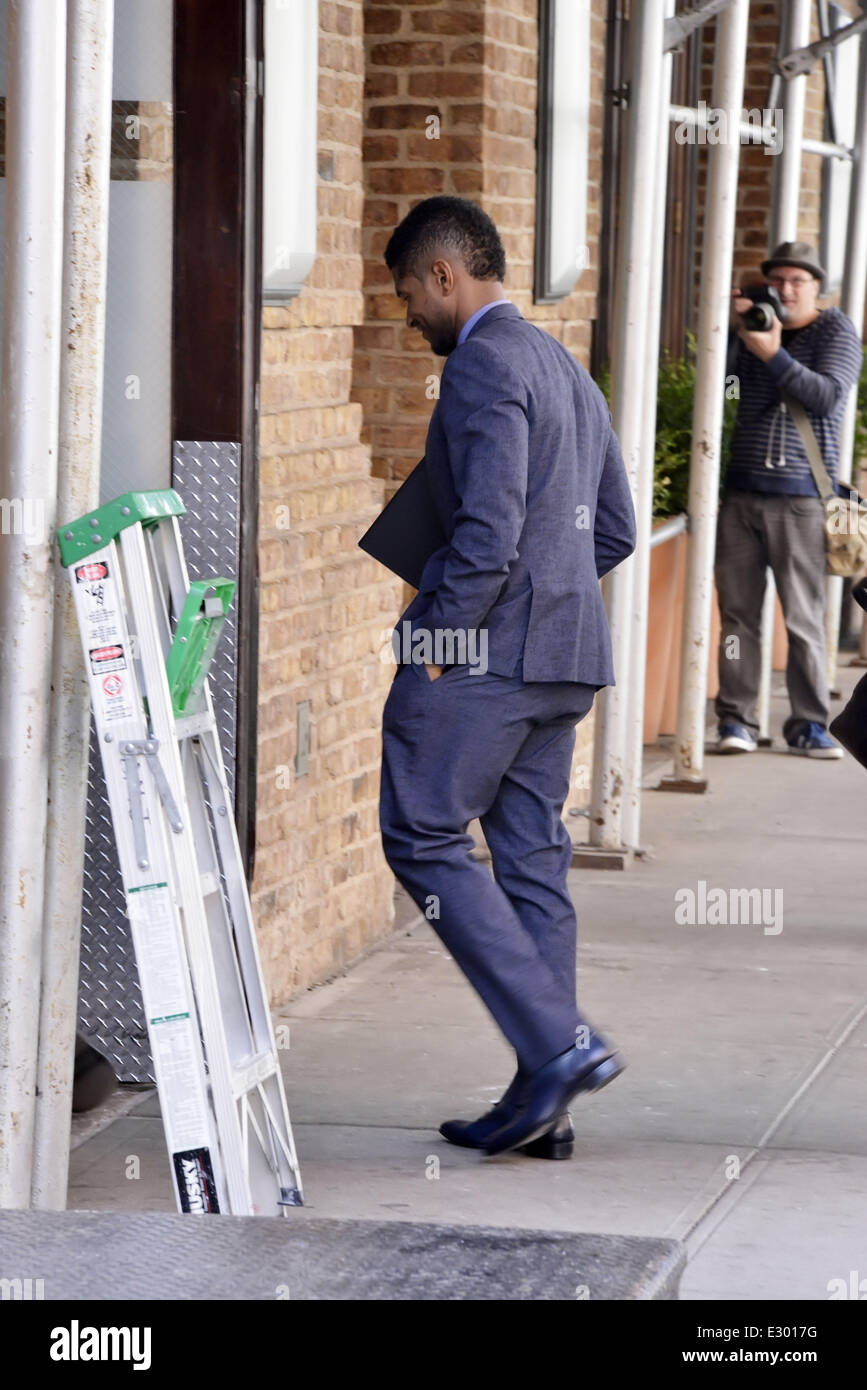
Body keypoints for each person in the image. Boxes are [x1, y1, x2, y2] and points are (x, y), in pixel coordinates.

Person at [378, 196, 636, 1159]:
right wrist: (551, 602)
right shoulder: (565, 365)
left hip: (484, 657)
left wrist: (440, 642)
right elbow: (608, 527)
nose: (409, 317)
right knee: (531, 861)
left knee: (421, 833)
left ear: (444, 275)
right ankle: (545, 1106)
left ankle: (558, 1043)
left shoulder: (484, 362)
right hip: (563, 658)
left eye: (409, 294)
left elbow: (485, 533)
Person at [715, 240, 862, 758]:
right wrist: (736, 334)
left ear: (816, 288)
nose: (786, 290)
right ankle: (736, 720)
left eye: (797, 281)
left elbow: (826, 398)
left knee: (803, 617)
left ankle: (809, 723)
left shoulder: (835, 330)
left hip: (802, 497)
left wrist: (774, 355)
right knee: (738, 618)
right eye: (777, 281)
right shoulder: (754, 330)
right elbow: (726, 392)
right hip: (740, 493)